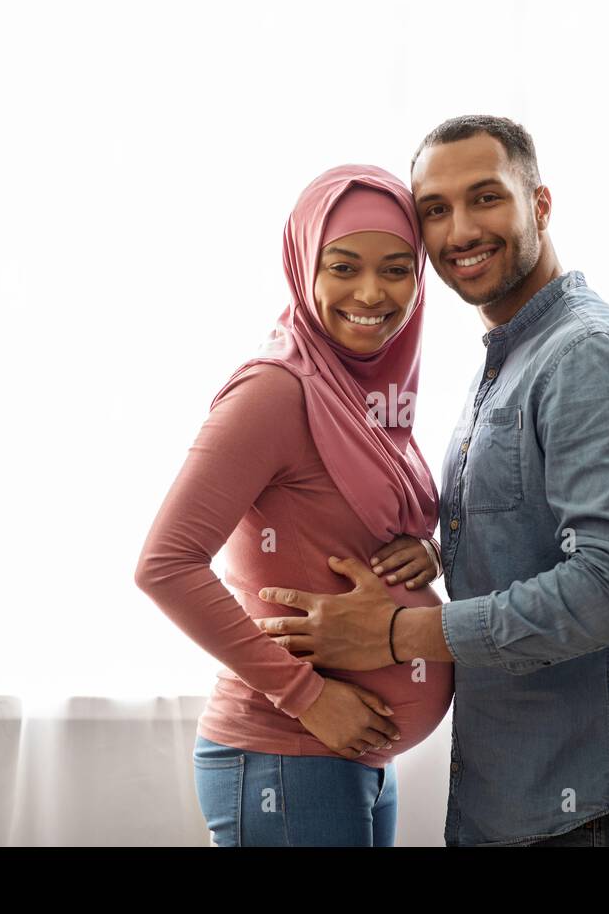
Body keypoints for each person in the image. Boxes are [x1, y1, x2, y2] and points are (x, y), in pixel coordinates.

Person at [255, 116, 609, 847]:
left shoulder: (589, 357)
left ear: (539, 204)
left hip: (593, 815)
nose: (460, 229)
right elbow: (546, 537)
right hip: (520, 807)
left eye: (485, 198)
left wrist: (400, 632)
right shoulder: (509, 363)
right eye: (435, 209)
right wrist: (445, 553)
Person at [133, 164, 453, 846]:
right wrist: (309, 697)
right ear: (303, 263)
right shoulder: (276, 393)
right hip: (285, 750)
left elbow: (343, 522)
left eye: (397, 269)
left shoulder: (369, 396)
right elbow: (164, 565)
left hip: (350, 754)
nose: (372, 292)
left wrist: (424, 552)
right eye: (343, 266)